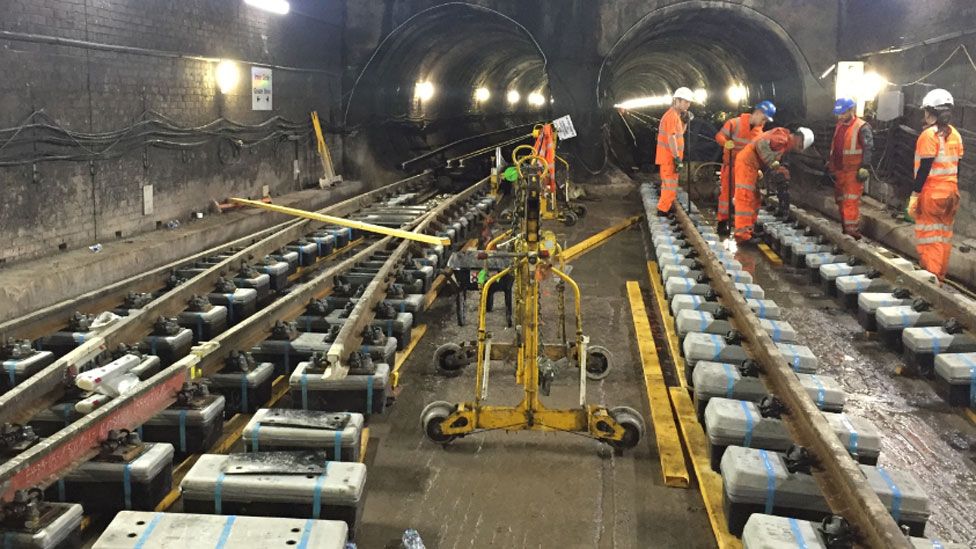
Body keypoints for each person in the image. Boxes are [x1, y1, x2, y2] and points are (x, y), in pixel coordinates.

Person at [907, 88, 964, 282]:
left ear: (933, 112)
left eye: (926, 111)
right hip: (951, 194)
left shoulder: (929, 135)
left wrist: (915, 194)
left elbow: (925, 167)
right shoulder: (955, 134)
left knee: (929, 238)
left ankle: (930, 280)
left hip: (932, 194)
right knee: (944, 236)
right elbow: (959, 167)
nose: (925, 115)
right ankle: (939, 275)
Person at [733, 126, 815, 243]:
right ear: (799, 138)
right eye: (799, 146)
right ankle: (743, 235)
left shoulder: (784, 144)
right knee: (746, 198)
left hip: (752, 165)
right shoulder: (782, 138)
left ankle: (749, 230)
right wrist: (774, 165)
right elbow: (761, 145)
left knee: (755, 198)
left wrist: (778, 169)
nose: (797, 149)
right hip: (747, 164)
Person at [714, 101, 776, 236]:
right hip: (730, 166)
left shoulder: (759, 132)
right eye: (764, 119)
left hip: (746, 171)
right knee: (726, 195)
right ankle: (722, 223)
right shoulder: (734, 123)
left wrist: (760, 168)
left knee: (749, 198)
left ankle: (747, 228)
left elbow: (758, 152)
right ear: (758, 113)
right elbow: (719, 136)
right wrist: (726, 143)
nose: (764, 122)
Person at [828, 98, 874, 239]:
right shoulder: (840, 125)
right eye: (838, 113)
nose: (840, 116)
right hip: (840, 170)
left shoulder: (862, 127)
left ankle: (851, 232)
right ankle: (846, 228)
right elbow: (836, 146)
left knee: (850, 201)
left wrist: (865, 166)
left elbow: (868, 147)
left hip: (853, 172)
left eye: (842, 113)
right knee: (841, 200)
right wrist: (830, 164)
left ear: (851, 110)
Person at [655, 87, 695, 215]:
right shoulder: (671, 116)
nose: (688, 105)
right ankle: (662, 209)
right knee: (669, 183)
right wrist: (676, 157)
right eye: (685, 102)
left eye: (689, 102)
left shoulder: (676, 116)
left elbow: (679, 134)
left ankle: (667, 205)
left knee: (672, 183)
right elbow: (671, 138)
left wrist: (685, 122)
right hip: (669, 157)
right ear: (676, 101)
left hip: (671, 157)